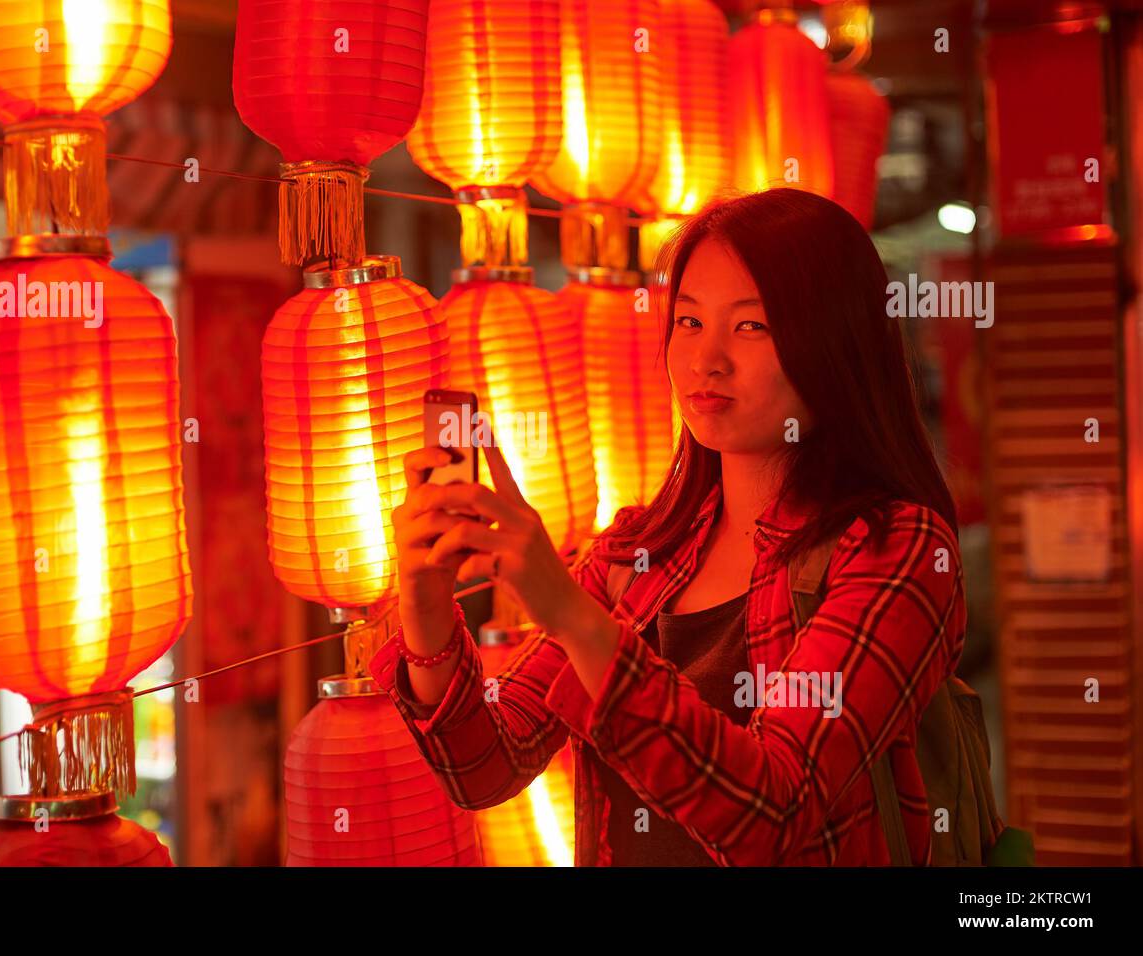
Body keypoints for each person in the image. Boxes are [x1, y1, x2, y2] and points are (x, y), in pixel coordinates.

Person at [369, 187, 966, 866]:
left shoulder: (895, 549)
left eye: (752, 326)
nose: (706, 360)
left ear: (835, 342)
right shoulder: (640, 551)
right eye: (687, 322)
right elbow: (484, 767)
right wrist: (423, 608)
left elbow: (774, 810)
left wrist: (569, 613)